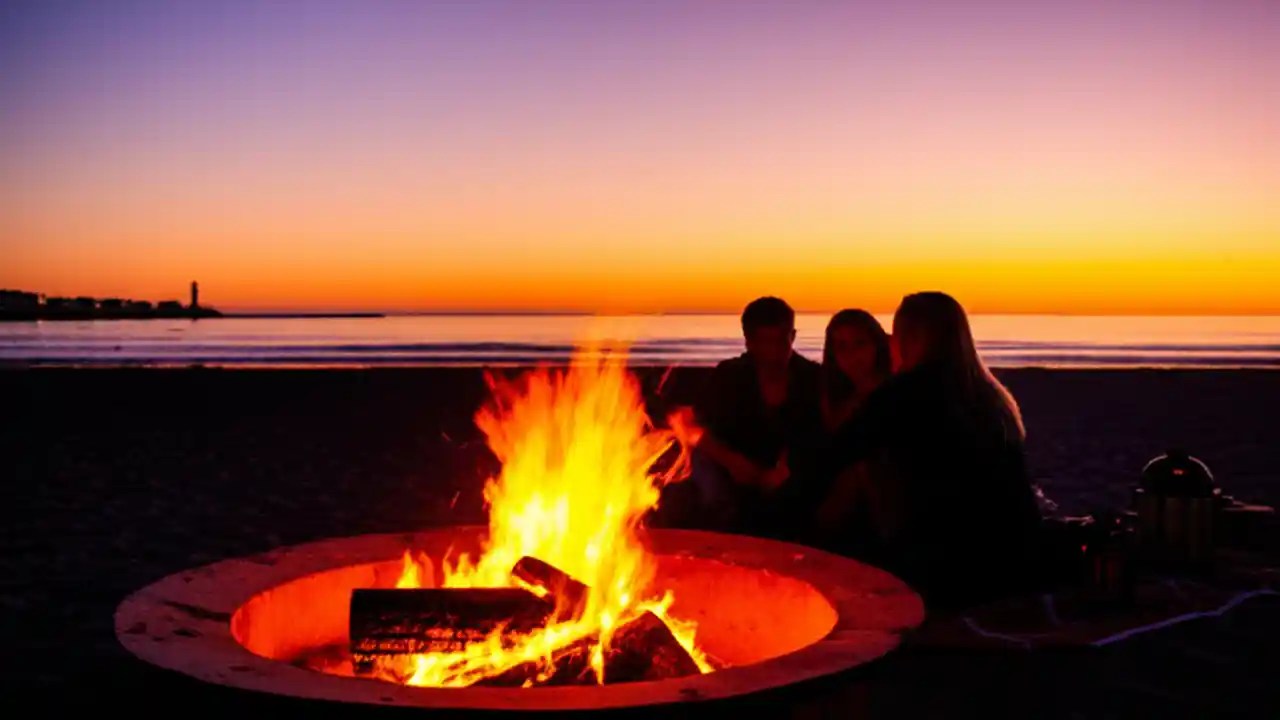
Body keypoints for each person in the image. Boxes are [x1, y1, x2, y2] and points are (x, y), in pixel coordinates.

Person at [819, 291, 1042, 610]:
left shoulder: (905, 394)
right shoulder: (989, 395)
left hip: (954, 565)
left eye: (896, 334)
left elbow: (830, 458)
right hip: (1018, 552)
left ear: (911, 339)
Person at [682, 296, 823, 537]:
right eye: (764, 342)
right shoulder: (729, 375)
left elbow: (821, 435)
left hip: (791, 476)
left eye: (781, 341)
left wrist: (790, 468)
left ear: (793, 336)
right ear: (748, 342)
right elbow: (684, 422)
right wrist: (730, 460)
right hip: (733, 475)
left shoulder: (813, 378)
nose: (773, 353)